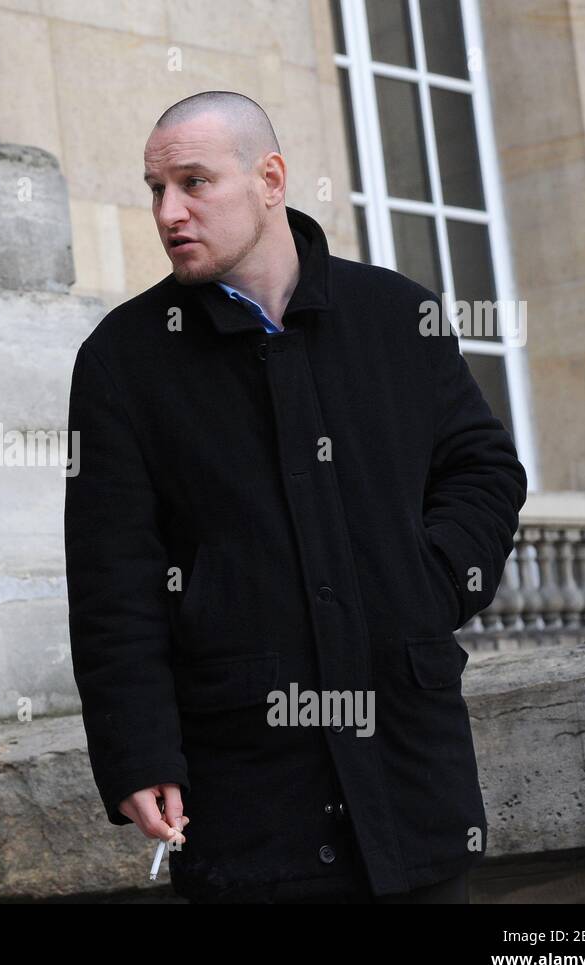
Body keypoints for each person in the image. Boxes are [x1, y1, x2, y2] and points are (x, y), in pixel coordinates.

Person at [64, 91, 527, 904]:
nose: (169, 211)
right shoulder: (122, 361)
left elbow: (484, 470)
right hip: (246, 798)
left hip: (412, 773)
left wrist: (427, 583)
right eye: (154, 189)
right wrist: (138, 752)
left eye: (194, 182)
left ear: (269, 178)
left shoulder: (398, 315)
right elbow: (112, 581)